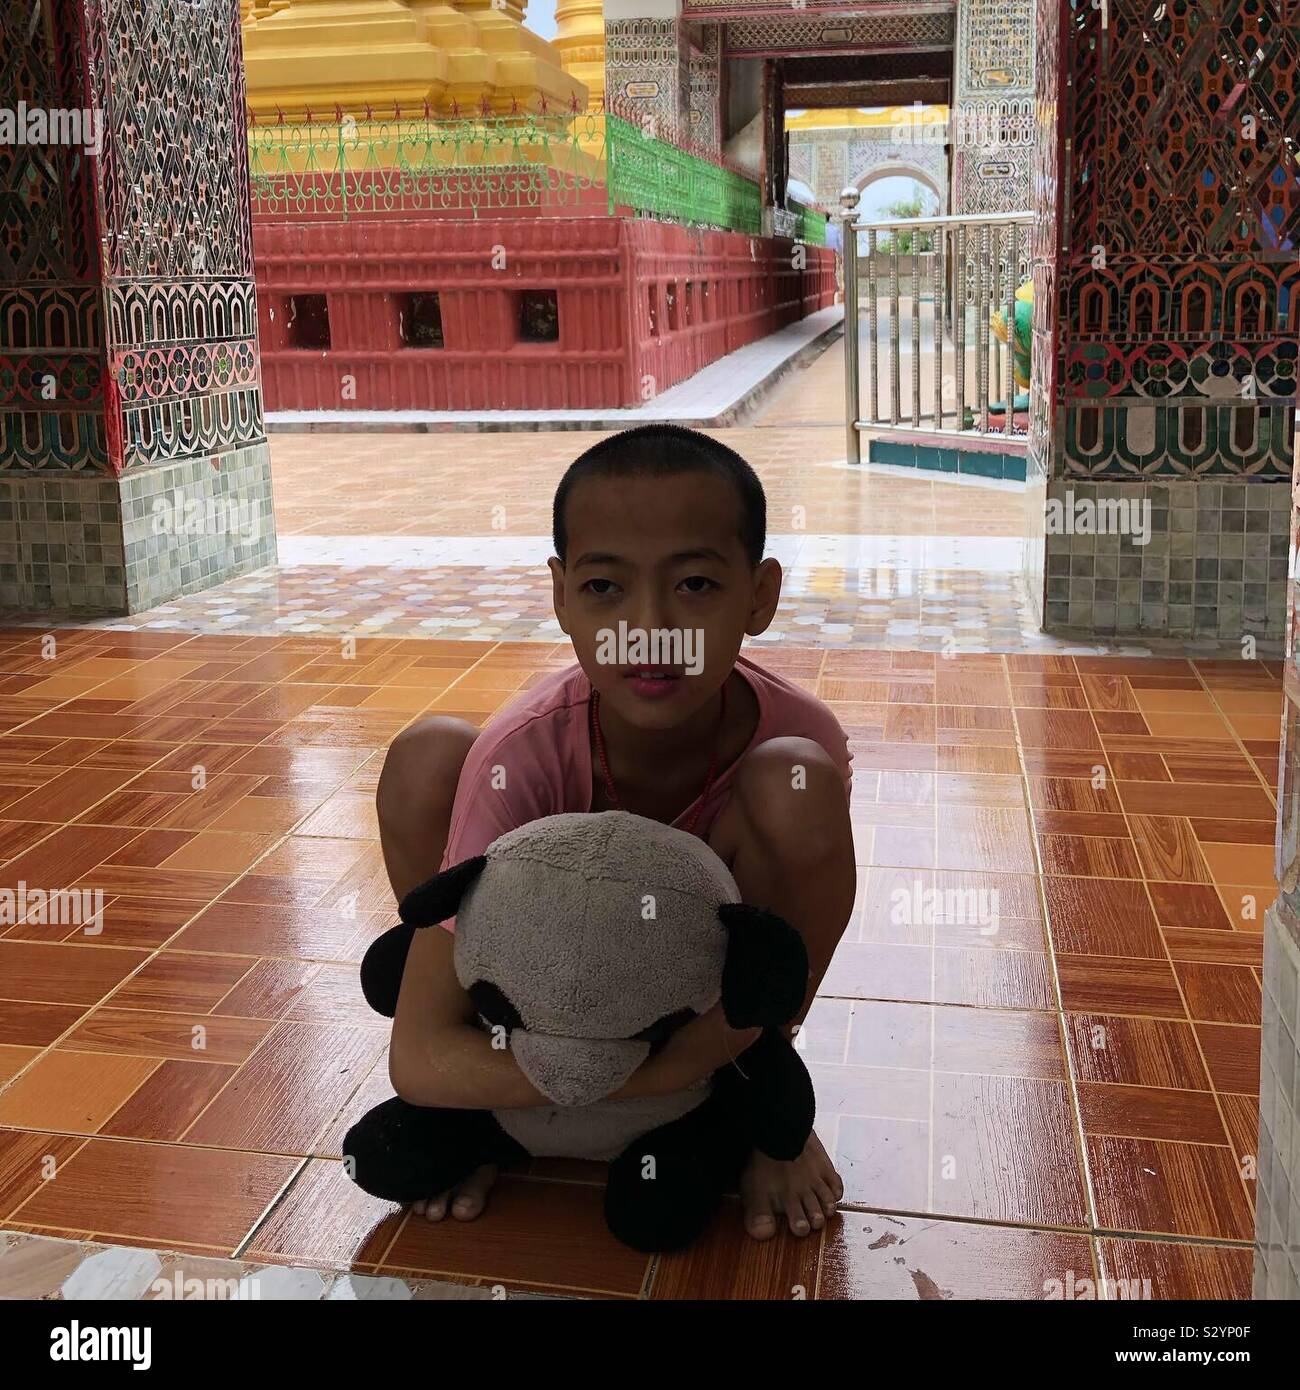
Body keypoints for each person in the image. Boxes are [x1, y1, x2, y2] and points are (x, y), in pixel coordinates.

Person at [373, 424, 857, 1241]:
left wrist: (757, 1095)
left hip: (710, 1019)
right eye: (604, 588)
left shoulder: (797, 739)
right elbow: (418, 1057)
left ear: (761, 595)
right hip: (563, 1026)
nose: (649, 628)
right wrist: (629, 1076)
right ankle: (494, 1102)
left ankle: (755, 1097)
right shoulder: (521, 760)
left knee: (796, 779)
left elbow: (778, 962)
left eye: (697, 584)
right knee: (428, 760)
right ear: (560, 595)